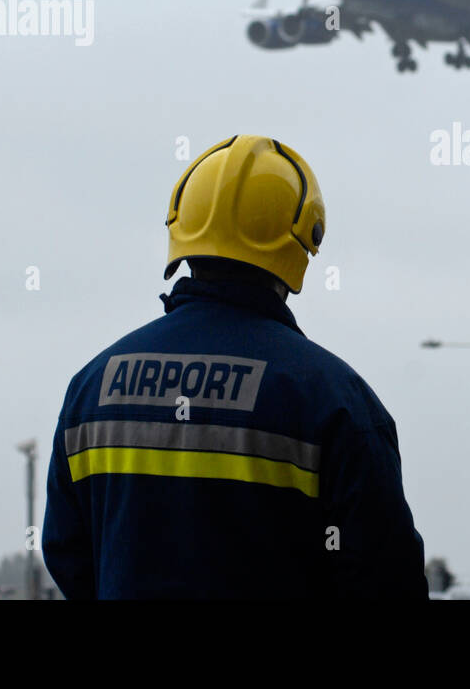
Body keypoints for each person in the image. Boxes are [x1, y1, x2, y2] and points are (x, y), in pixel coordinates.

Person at [42, 135, 427, 598]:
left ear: (182, 229)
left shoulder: (91, 389)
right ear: (303, 242)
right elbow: (386, 578)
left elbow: (69, 555)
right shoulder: (334, 401)